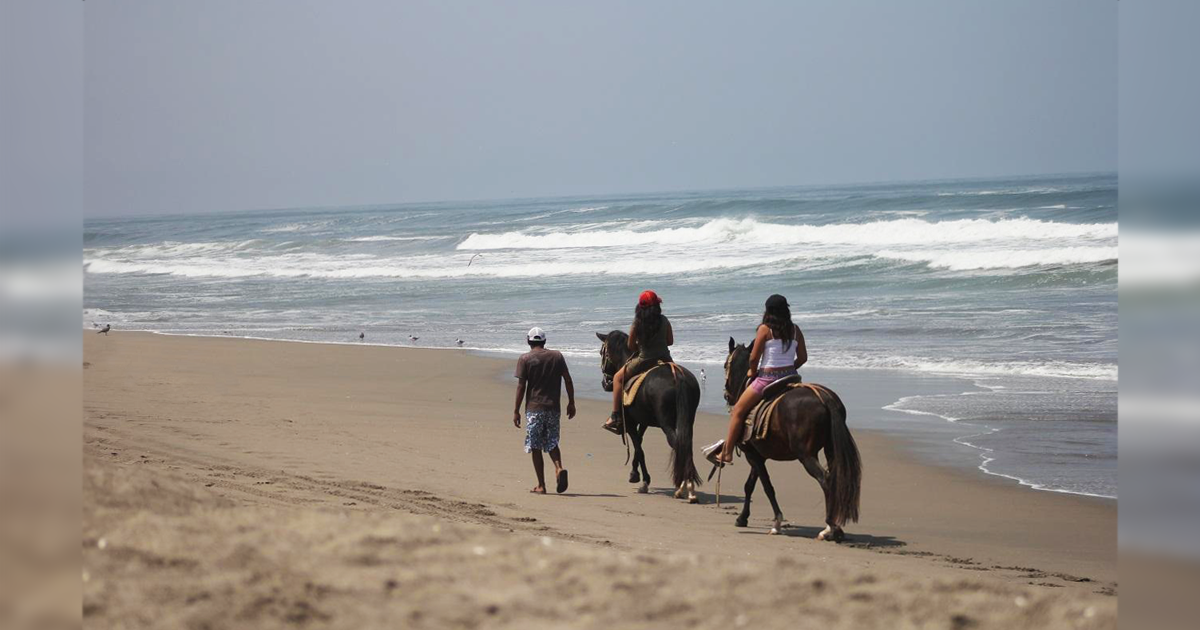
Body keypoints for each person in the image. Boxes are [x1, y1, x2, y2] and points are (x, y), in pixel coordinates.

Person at [714, 294, 807, 465]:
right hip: (791, 378)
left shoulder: (765, 329)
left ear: (768, 311)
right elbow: (802, 358)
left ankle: (726, 453)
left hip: (767, 379)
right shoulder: (796, 330)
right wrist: (789, 368)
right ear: (786, 310)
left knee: (737, 411)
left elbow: (753, 358)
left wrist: (752, 371)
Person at [513, 327, 576, 493]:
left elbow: (521, 386)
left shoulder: (525, 358)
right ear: (544, 341)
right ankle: (559, 468)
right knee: (552, 441)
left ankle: (541, 485)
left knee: (535, 446)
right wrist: (571, 402)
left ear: (528, 341)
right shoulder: (557, 356)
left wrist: (516, 410)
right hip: (553, 408)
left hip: (534, 409)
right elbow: (568, 380)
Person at [601, 290, 674, 435]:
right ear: (657, 306)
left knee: (617, 378)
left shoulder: (637, 323)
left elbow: (630, 346)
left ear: (640, 307)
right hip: (665, 359)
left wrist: (642, 346)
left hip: (644, 360)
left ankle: (615, 416)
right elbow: (670, 341)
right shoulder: (664, 320)